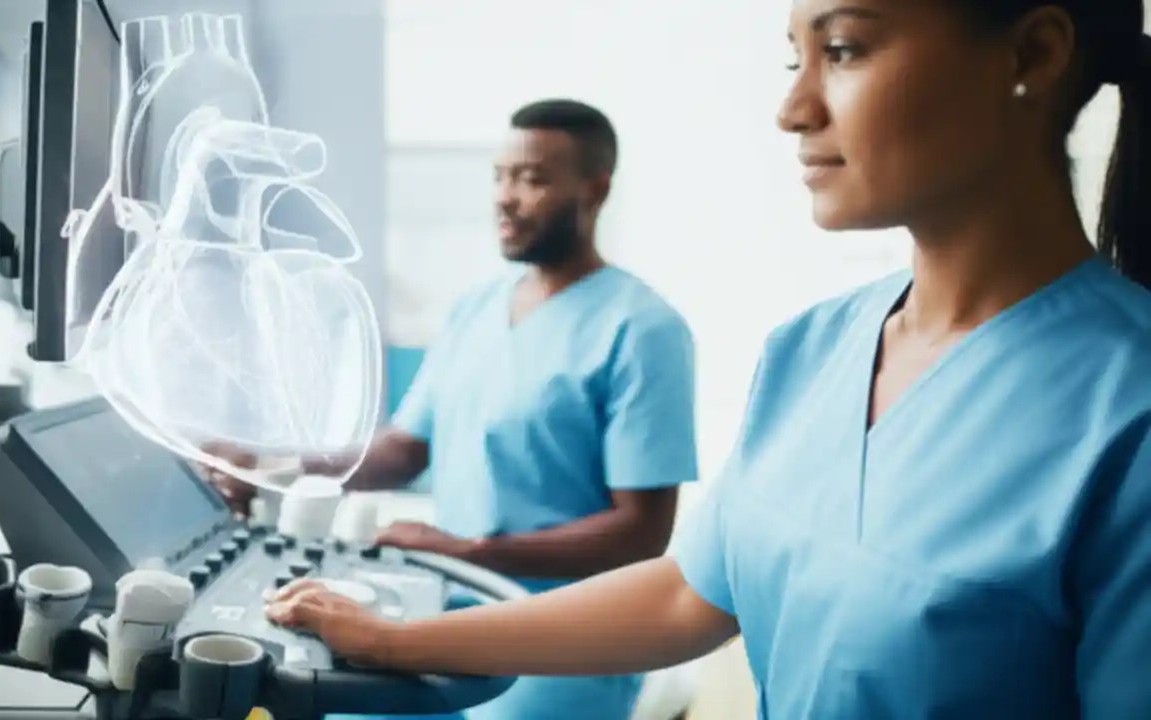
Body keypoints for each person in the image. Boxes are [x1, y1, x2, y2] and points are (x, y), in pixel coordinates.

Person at [261, 1, 1151, 717]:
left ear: (1030, 54)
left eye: (842, 49)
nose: (793, 107)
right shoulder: (812, 350)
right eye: (791, 57)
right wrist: (392, 638)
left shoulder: (1127, 411)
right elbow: (689, 597)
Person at [207, 99, 700, 720]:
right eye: (500, 176)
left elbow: (641, 534)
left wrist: (468, 551)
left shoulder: (643, 329)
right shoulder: (476, 308)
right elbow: (403, 451)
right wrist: (267, 460)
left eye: (533, 178)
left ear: (595, 190)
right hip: (448, 612)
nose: (505, 196)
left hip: (563, 646)